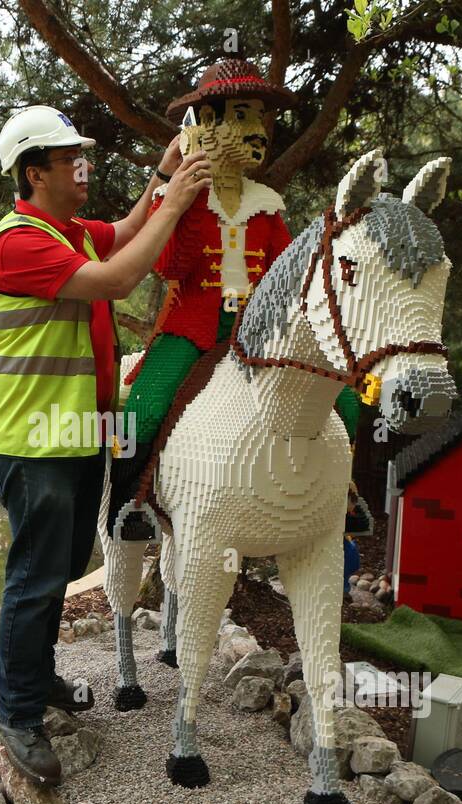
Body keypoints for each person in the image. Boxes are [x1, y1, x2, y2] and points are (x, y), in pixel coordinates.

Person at [0, 105, 210, 784]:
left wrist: (165, 176)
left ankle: (36, 676)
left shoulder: (71, 232)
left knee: (62, 565)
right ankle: (16, 712)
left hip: (77, 438)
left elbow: (131, 228)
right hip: (32, 444)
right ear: (32, 171)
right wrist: (178, 204)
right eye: (68, 158)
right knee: (36, 577)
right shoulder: (16, 243)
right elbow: (118, 278)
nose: (83, 167)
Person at [108, 60, 296, 540]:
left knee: (345, 403)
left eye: (259, 117)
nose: (258, 131)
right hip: (191, 326)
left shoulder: (268, 204)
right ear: (207, 124)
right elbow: (170, 267)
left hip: (255, 332)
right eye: (242, 116)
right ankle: (128, 505)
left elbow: (287, 275)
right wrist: (184, 196)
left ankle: (335, 499)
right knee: (143, 411)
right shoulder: (171, 198)